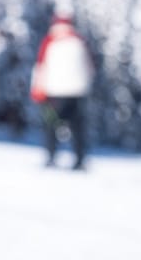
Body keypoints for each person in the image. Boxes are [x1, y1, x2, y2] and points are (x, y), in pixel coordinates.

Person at [30, 11, 95, 170]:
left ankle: (51, 157)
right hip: (78, 92)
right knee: (77, 127)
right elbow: (90, 67)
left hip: (54, 93)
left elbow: (41, 67)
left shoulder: (50, 41)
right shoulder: (80, 42)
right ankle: (79, 160)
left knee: (51, 125)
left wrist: (37, 90)